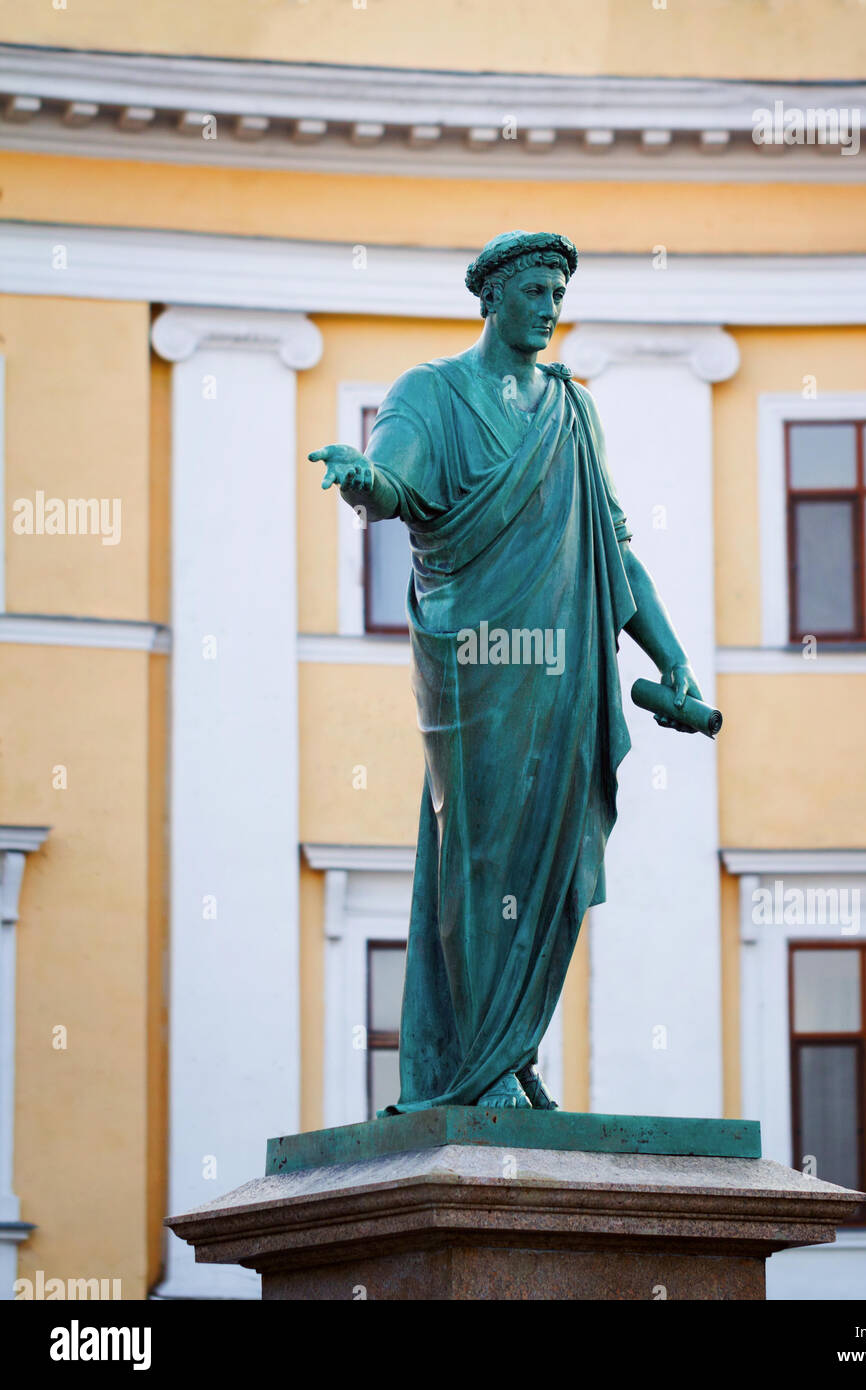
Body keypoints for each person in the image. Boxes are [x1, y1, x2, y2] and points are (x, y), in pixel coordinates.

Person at [310, 230, 702, 1111]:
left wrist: (674, 663)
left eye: (559, 288)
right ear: (491, 296)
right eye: (534, 287)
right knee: (480, 851)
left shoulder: (573, 411)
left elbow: (615, 556)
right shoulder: (432, 393)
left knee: (553, 860)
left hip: (564, 668)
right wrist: (361, 477)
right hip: (473, 660)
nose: (550, 303)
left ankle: (506, 1048)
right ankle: (479, 1065)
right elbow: (396, 485)